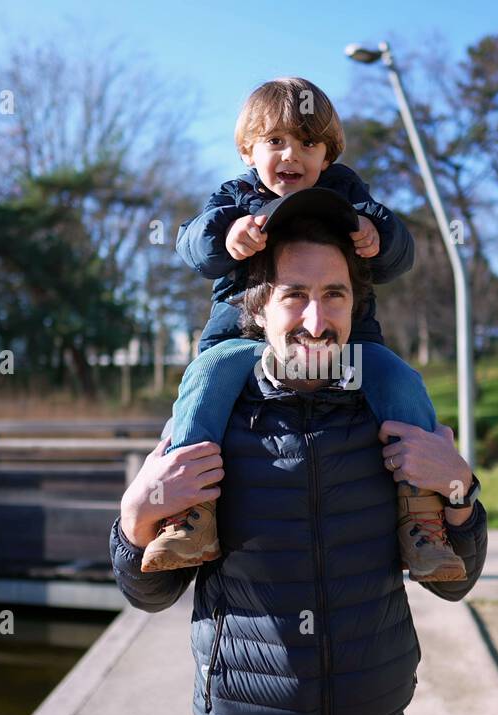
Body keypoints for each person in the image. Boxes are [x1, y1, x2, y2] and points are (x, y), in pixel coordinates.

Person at [109, 198, 488, 715]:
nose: (317, 319)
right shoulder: (214, 420)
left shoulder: (391, 417)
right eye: (294, 296)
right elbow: (149, 594)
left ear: (354, 305)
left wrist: (460, 487)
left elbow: (455, 583)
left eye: (334, 294)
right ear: (258, 310)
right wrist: (134, 518)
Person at [139, 76, 464, 583]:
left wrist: (381, 239)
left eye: (308, 143)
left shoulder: (349, 197)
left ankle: (422, 518)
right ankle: (191, 517)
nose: (292, 155)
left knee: (400, 379)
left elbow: (402, 251)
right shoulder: (234, 198)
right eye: (275, 142)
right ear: (248, 151)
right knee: (204, 382)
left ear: (327, 157)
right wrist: (227, 238)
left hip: (352, 343)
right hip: (238, 341)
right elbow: (192, 246)